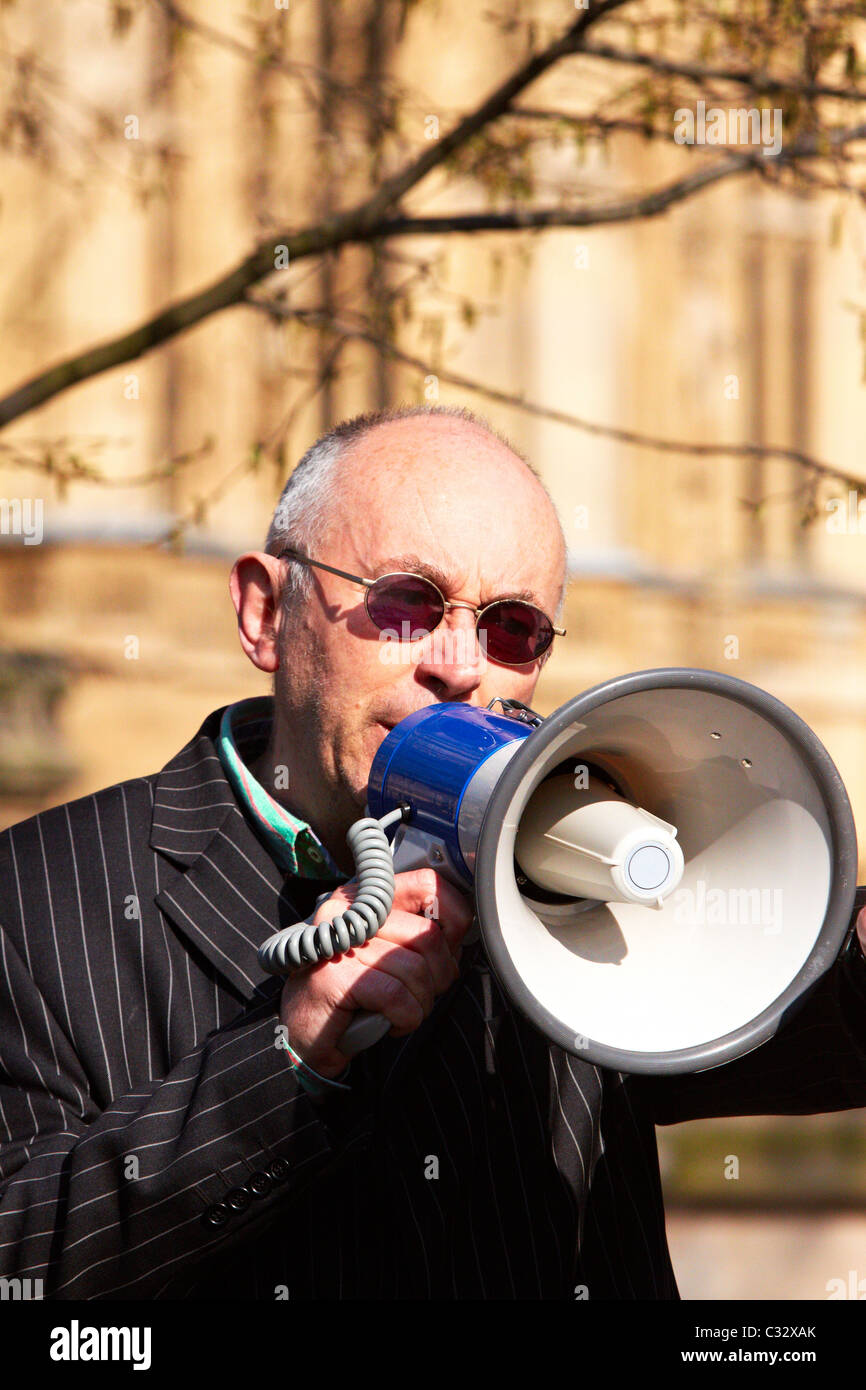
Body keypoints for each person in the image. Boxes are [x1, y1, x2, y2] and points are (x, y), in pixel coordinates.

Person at [1, 403, 865, 1300]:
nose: (460, 666)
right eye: (408, 602)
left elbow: (786, 998)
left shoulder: (571, 856)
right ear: (265, 614)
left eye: (512, 627)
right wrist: (288, 1057)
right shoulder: (36, 905)